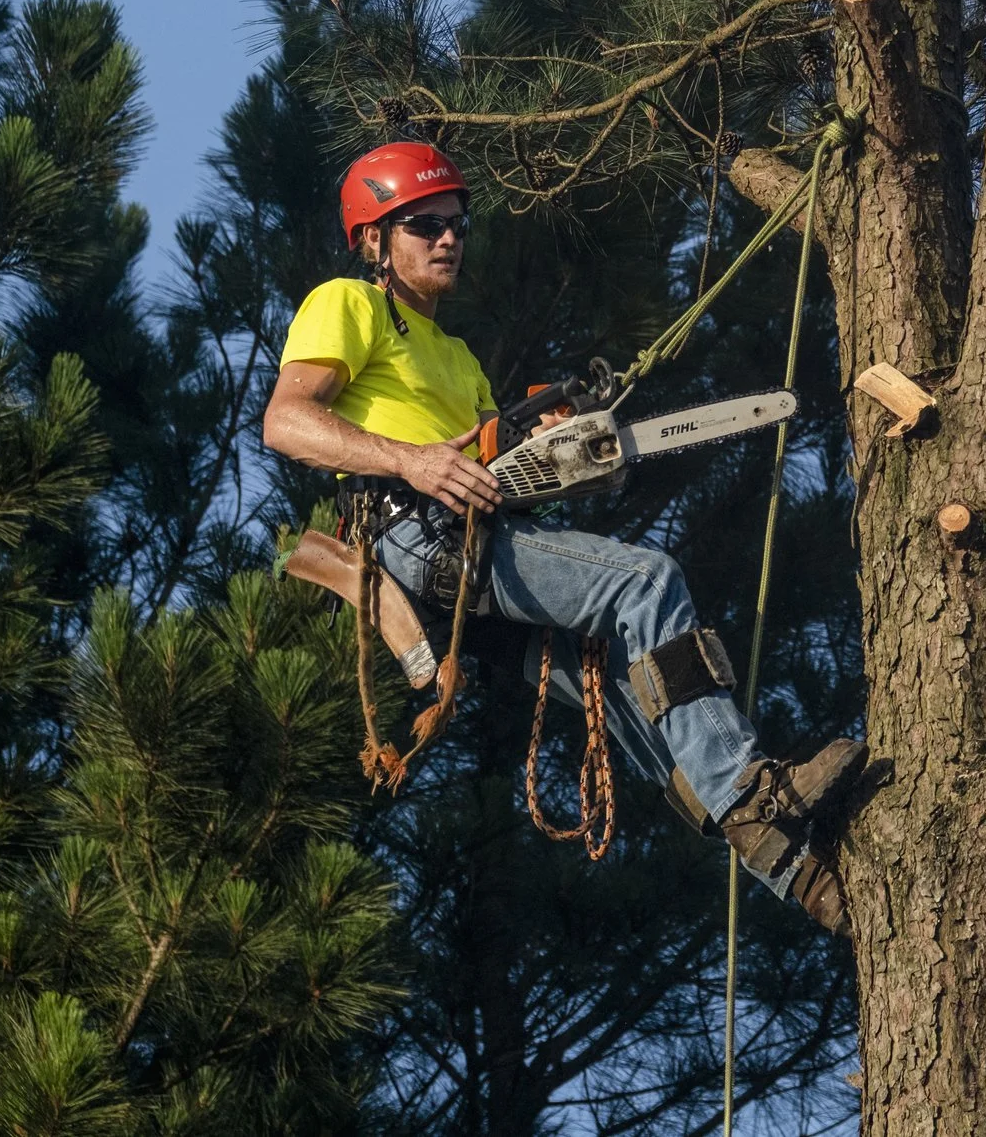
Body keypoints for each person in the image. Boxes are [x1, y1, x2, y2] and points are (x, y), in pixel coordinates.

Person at [262, 141, 863, 931]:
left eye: (457, 224)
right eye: (424, 225)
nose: (449, 238)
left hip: (470, 536)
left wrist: (546, 440)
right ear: (374, 238)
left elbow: (492, 470)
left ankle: (801, 876)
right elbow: (286, 420)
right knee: (645, 581)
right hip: (416, 533)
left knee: (623, 689)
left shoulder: (456, 357)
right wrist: (412, 460)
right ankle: (748, 789)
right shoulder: (350, 303)